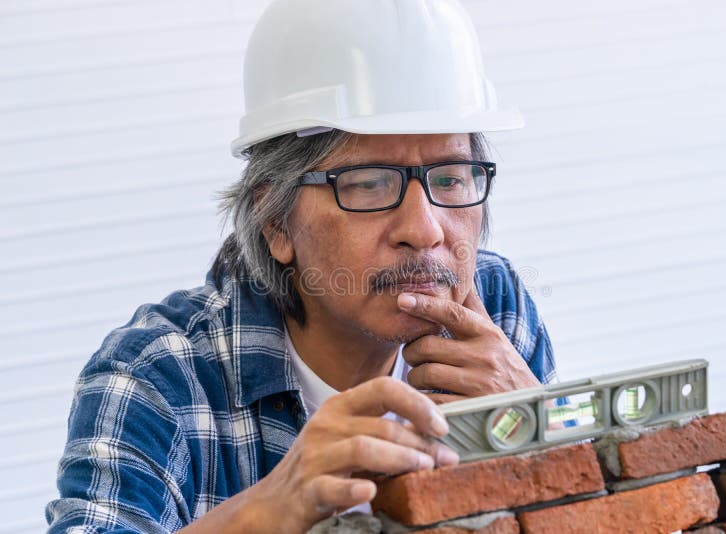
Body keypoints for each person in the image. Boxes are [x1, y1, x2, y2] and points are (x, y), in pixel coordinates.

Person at [46, 1, 559, 532]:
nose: (426, 230)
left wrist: (546, 431)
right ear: (277, 223)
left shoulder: (496, 306)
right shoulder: (159, 375)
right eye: (369, 183)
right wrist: (265, 510)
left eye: (451, 179)